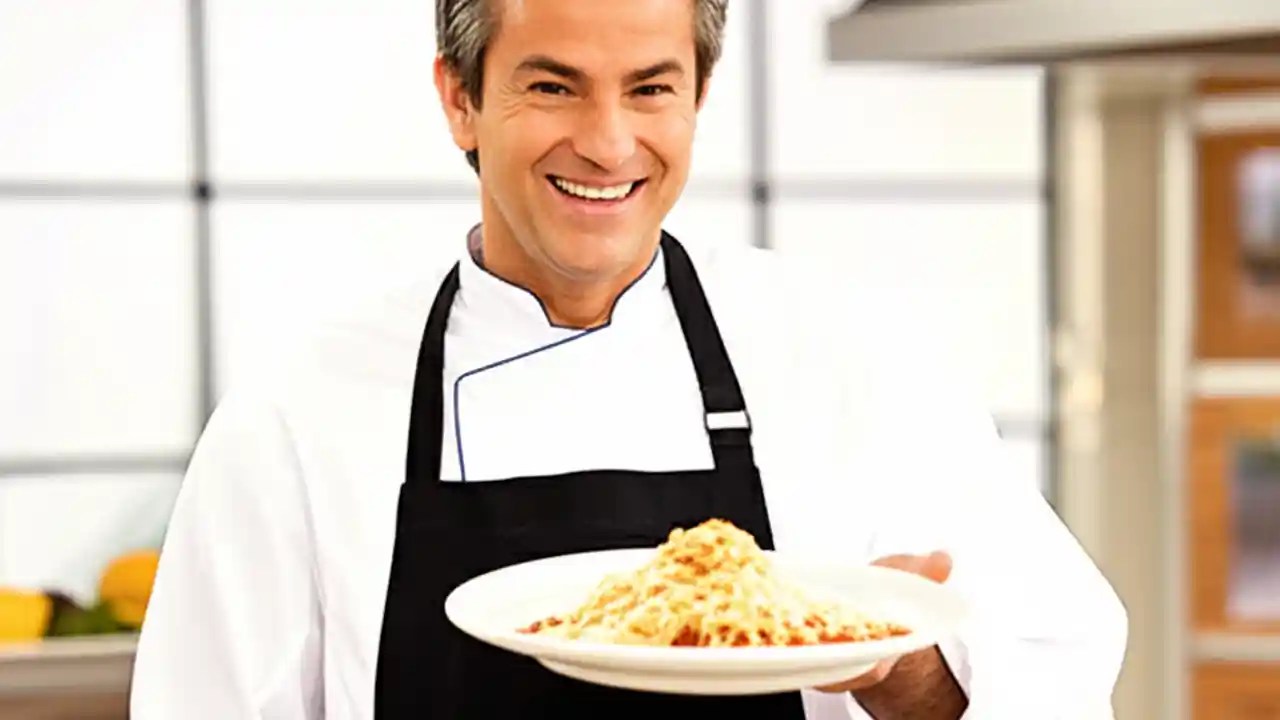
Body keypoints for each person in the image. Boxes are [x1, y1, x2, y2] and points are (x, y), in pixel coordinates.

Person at [130, 0, 1128, 717]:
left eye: (649, 89)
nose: (607, 144)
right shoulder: (299, 415)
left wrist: (896, 671)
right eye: (552, 86)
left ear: (697, 96)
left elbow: (1059, 682)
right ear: (459, 100)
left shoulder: (851, 361)